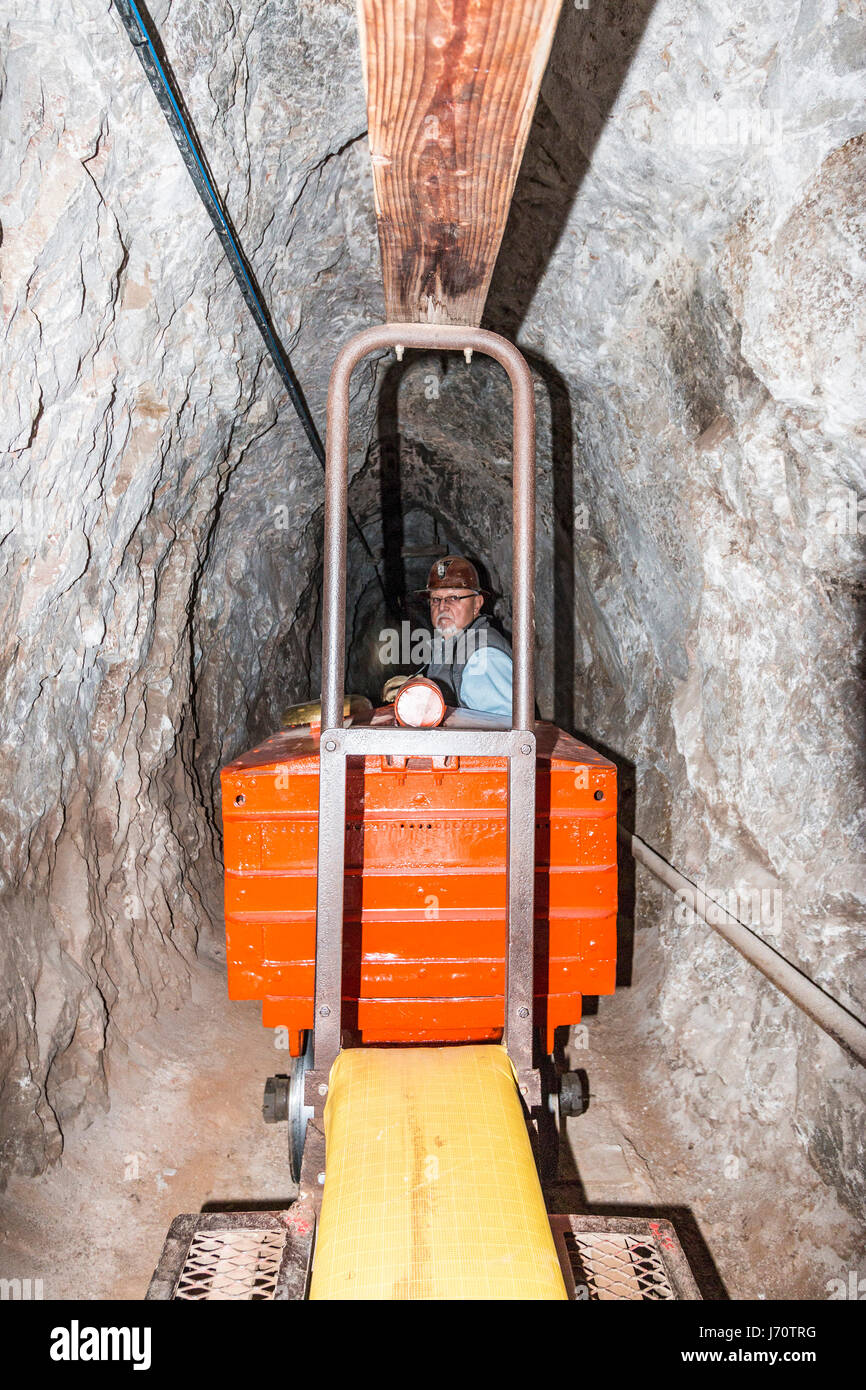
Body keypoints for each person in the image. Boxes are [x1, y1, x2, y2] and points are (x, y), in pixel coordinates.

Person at [384, 556, 513, 716]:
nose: (442, 607)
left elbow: (503, 729)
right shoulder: (449, 643)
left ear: (477, 604)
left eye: (453, 598)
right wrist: (416, 689)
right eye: (436, 599)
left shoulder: (483, 656)